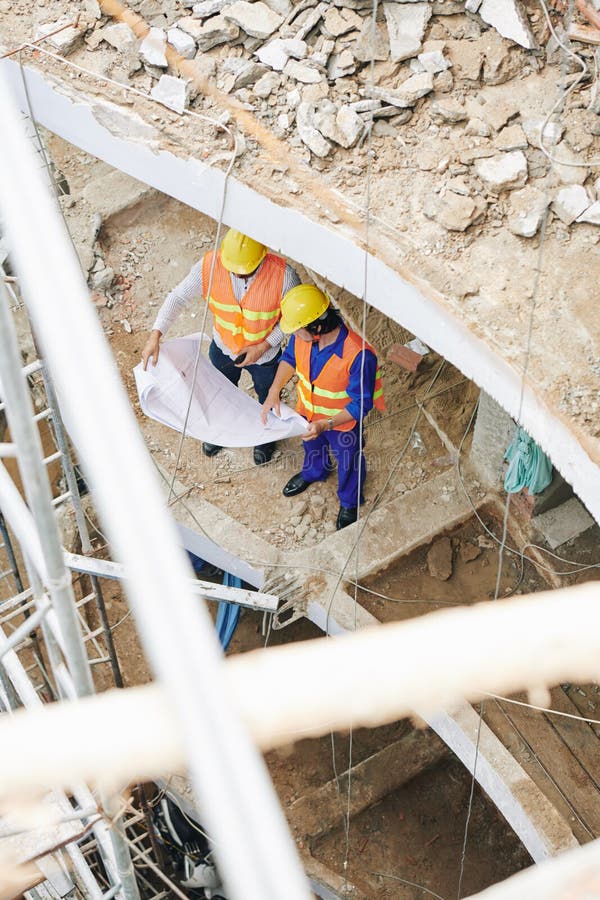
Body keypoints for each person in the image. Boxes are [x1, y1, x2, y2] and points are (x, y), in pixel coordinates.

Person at [142, 228, 300, 465]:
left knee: (267, 395)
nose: (238, 276)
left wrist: (263, 346)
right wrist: (156, 334)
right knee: (219, 391)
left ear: (263, 259)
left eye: (245, 273)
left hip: (265, 356)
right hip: (223, 347)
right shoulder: (209, 266)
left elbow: (291, 322)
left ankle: (265, 435)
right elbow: (178, 297)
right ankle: (222, 430)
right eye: (233, 271)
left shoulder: (284, 276)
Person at [261, 285, 384, 530]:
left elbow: (361, 404)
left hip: (342, 424)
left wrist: (326, 424)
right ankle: (314, 472)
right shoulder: (302, 338)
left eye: (297, 329)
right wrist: (274, 390)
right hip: (307, 414)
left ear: (317, 326)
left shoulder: (359, 356)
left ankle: (349, 501)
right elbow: (289, 359)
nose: (293, 334)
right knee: (311, 446)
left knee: (348, 460)